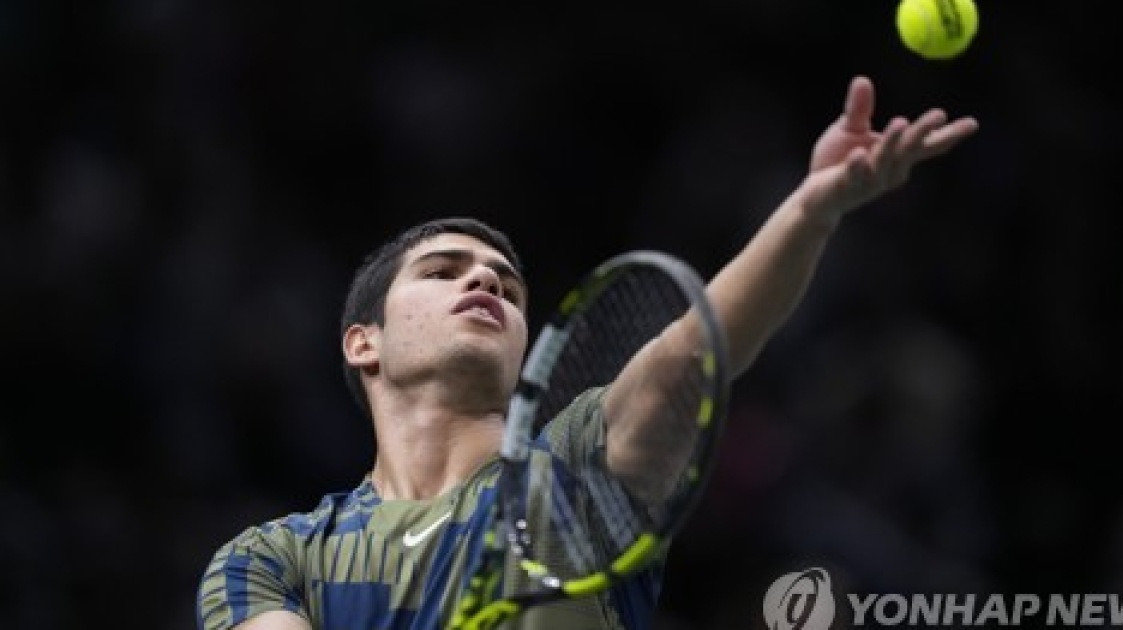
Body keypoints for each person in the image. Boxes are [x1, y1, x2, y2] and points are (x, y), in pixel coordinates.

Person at [196, 75, 979, 630]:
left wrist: (811, 213)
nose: (485, 283)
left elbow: (684, 362)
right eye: (444, 271)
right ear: (363, 342)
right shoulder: (274, 557)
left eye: (506, 284)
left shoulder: (570, 475)